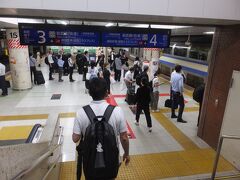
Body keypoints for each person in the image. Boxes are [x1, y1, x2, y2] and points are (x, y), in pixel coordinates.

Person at [72, 78, 130, 180]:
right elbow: (124, 137)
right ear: (107, 92)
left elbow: (75, 139)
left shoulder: (81, 112)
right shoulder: (117, 111)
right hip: (111, 158)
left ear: (90, 93)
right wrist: (126, 153)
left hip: (90, 160)